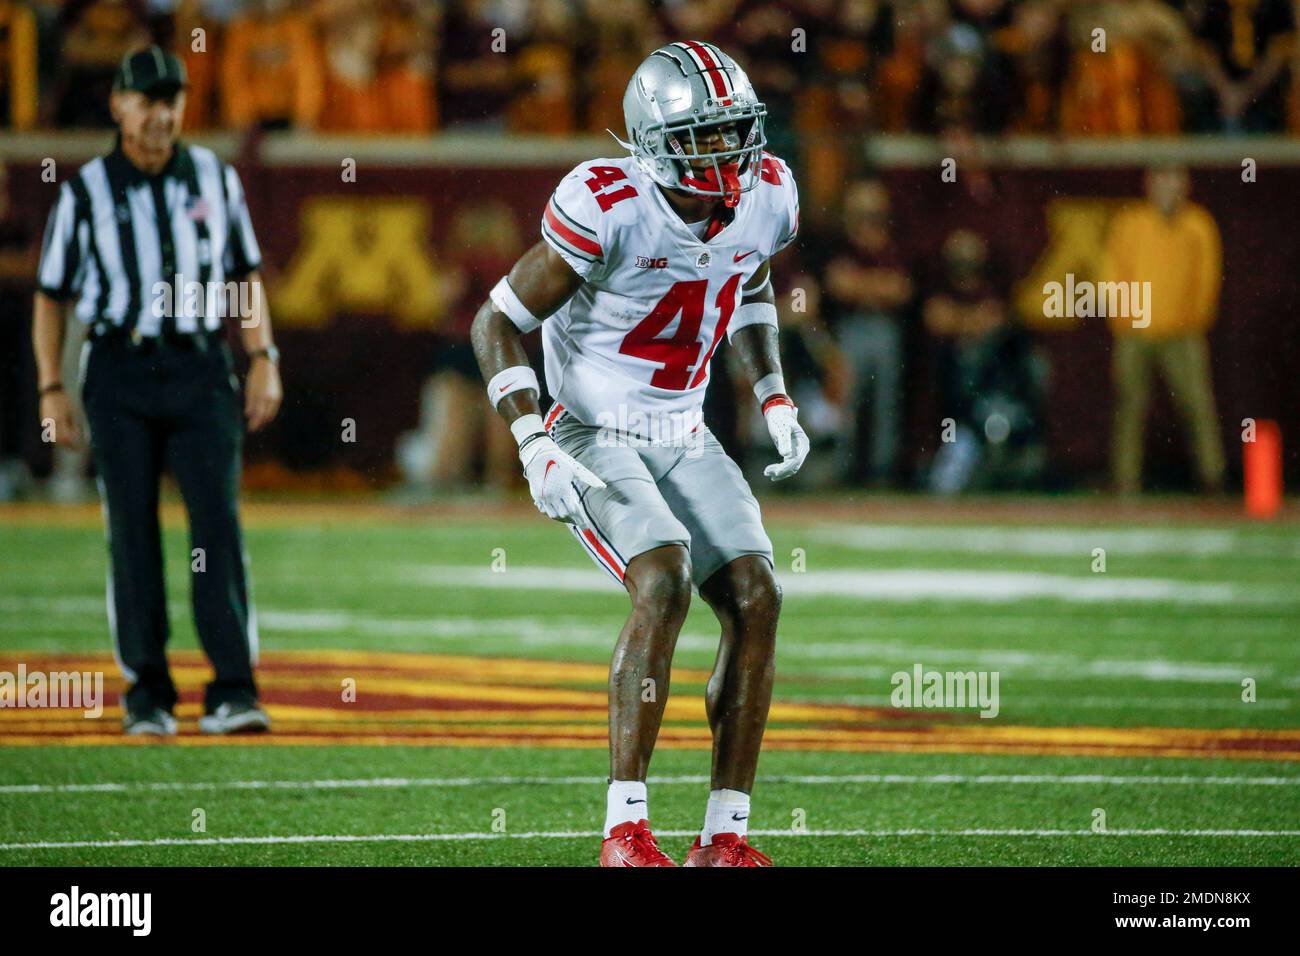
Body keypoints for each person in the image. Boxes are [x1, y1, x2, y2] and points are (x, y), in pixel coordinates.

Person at [469, 42, 805, 866]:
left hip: (685, 430)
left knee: (758, 596)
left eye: (735, 132)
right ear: (655, 140)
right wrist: (531, 441)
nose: (729, 153)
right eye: (705, 136)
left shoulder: (767, 194)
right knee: (663, 579)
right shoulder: (606, 202)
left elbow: (748, 280)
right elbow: (495, 323)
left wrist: (773, 395)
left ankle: (724, 839)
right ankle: (624, 831)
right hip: (591, 429)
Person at [32, 46, 283, 735]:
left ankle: (233, 687)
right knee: (132, 532)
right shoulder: (84, 191)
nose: (160, 115)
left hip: (202, 368)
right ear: (118, 105)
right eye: (146, 100)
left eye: (170, 100)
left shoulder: (214, 176)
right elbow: (50, 296)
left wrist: (263, 355)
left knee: (218, 527)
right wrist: (52, 384)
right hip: (120, 370)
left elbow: (244, 273)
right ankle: (148, 690)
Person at [1104, 164, 1224, 496]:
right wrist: (1124, 318)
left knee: (1197, 405)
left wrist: (1193, 320)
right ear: (1149, 183)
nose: (1168, 186)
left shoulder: (1198, 224)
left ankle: (1211, 478)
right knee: (1129, 406)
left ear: (1185, 184)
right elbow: (1113, 272)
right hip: (1136, 331)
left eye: (1174, 178)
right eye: (1162, 178)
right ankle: (1125, 482)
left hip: (1183, 333)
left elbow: (1207, 278)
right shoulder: (1130, 223)